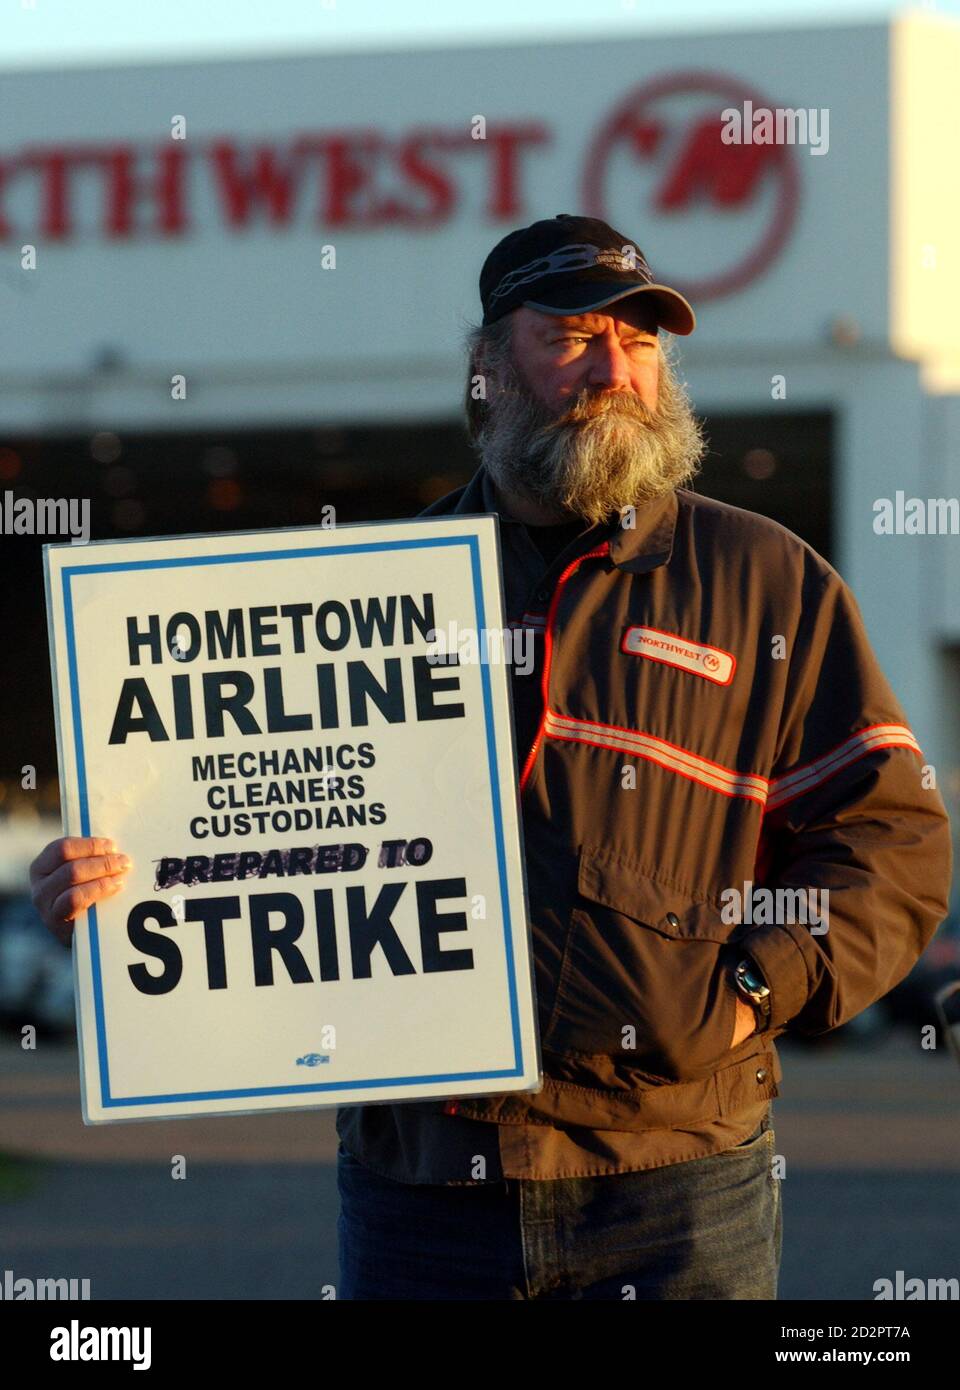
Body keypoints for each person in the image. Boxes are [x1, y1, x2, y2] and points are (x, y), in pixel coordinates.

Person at [29, 214, 953, 1302]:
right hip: (422, 1196)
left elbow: (895, 840)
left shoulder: (765, 584)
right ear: (486, 371)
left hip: (675, 1186)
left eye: (641, 339)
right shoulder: (372, 599)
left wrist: (755, 983)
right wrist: (122, 881)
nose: (615, 368)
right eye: (570, 337)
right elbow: (258, 832)